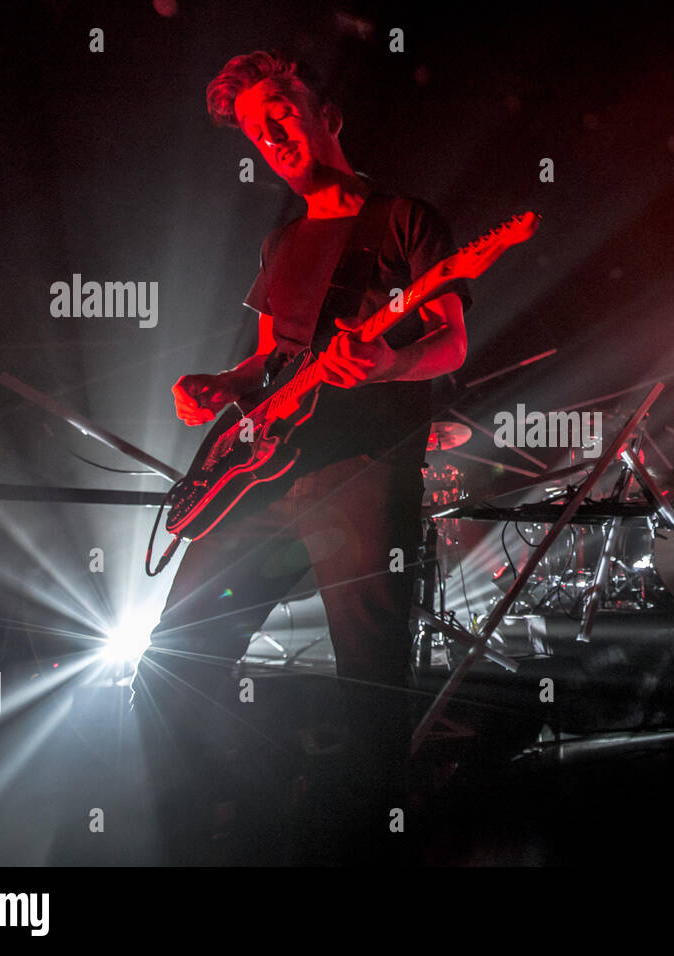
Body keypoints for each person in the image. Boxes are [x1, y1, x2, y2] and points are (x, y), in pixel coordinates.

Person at [130, 50, 470, 853]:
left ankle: (369, 837)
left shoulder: (405, 221)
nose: (269, 134)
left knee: (370, 679)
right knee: (176, 647)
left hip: (364, 467)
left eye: (279, 110)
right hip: (268, 470)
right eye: (254, 129)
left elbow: (451, 342)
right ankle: (225, 814)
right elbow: (267, 360)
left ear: (326, 113)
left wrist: (390, 361)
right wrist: (222, 383)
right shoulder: (281, 240)